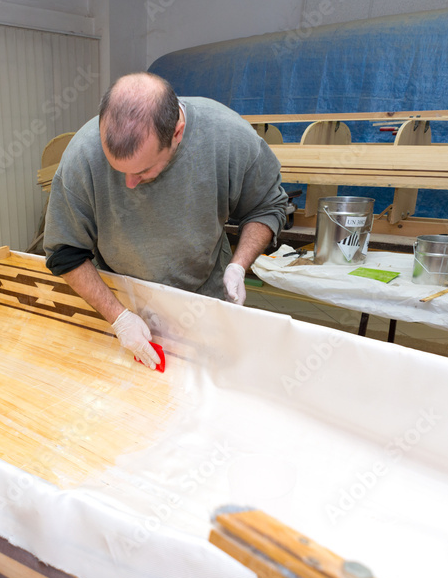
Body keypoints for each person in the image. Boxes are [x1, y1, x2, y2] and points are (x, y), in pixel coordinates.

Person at [43, 72, 288, 369]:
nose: (130, 184)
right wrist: (118, 318)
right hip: (122, 301)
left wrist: (239, 265)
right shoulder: (82, 156)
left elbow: (267, 207)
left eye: (143, 171)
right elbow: (65, 253)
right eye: (118, 171)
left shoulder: (229, 138)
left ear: (177, 132)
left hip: (203, 301)